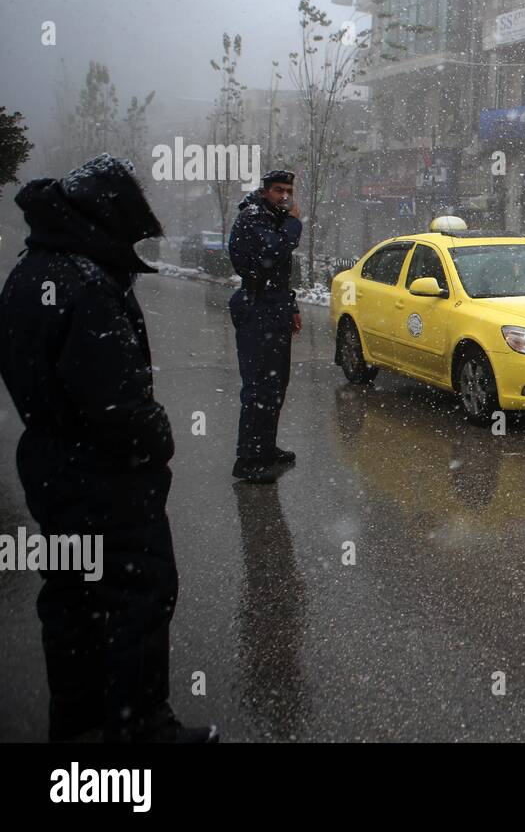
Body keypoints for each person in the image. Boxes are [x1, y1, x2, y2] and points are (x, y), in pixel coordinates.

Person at [0, 154, 218, 742]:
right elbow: (118, 406)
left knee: (73, 599)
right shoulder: (86, 286)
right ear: (107, 220)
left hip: (52, 469)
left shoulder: (31, 271)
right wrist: (160, 437)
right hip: (104, 479)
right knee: (135, 594)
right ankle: (140, 730)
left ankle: (78, 728)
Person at [228, 170, 302, 482]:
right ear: (265, 191)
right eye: (278, 190)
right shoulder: (253, 218)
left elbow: (279, 273)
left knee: (275, 386)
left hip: (276, 308)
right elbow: (273, 252)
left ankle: (265, 448)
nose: (284, 196)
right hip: (257, 310)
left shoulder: (273, 217)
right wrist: (295, 223)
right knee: (258, 388)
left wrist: (292, 305)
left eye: (288, 191)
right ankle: (247, 459)